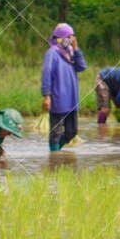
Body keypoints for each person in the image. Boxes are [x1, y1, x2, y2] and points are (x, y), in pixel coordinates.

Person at [40, 23, 87, 152]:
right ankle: (54, 156)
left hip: (72, 99)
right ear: (60, 38)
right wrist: (47, 96)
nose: (71, 40)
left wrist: (76, 49)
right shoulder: (52, 53)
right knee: (56, 132)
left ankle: (56, 152)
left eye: (72, 37)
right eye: (69, 37)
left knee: (72, 132)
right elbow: (46, 73)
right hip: (58, 98)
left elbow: (82, 67)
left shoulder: (71, 53)